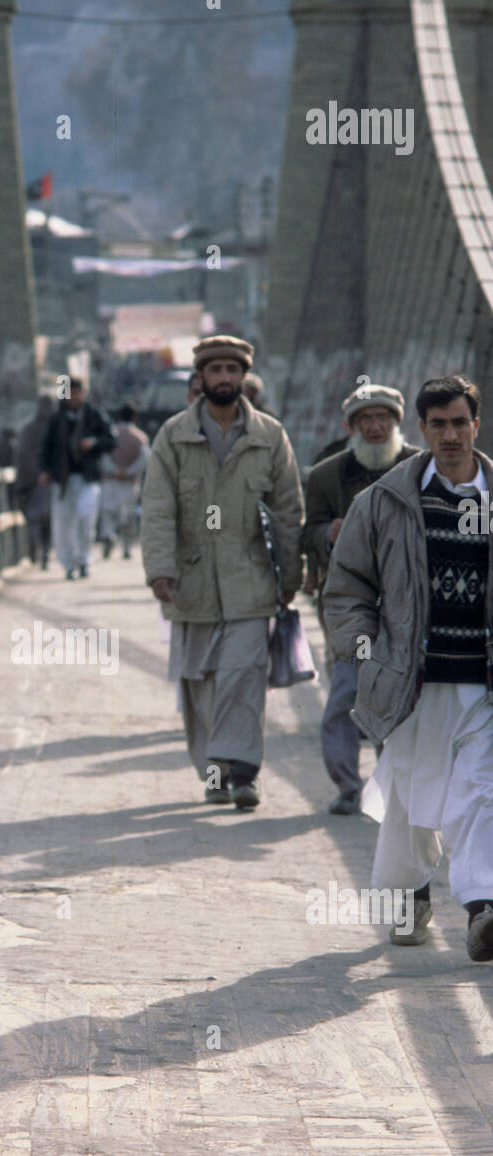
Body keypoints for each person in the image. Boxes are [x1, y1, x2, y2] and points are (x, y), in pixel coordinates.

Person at [324, 374, 493, 960]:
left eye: (460, 422)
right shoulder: (384, 502)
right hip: (413, 682)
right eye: (438, 424)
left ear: (478, 424)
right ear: (422, 429)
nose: (450, 434)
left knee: (480, 792)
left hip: (483, 682)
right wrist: (365, 652)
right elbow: (346, 587)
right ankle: (409, 898)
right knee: (414, 798)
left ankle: (482, 907)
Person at [141, 334, 303, 810]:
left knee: (245, 675)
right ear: (203, 378)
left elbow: (290, 511)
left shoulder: (270, 436)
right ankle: (215, 774)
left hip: (250, 581)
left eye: (233, 370)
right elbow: (157, 509)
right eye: (216, 371)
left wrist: (291, 577)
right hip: (191, 583)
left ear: (244, 377)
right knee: (199, 685)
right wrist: (160, 570)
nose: (225, 379)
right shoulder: (173, 435)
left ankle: (245, 773)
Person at [303, 384, 417, 814]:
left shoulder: (419, 469)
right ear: (350, 427)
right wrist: (324, 535)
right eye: (365, 420)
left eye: (382, 419)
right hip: (350, 606)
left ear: (397, 423)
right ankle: (348, 785)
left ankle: (394, 787)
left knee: (402, 699)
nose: (374, 427)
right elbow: (306, 532)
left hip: (408, 608)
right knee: (346, 695)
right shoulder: (326, 476)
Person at [38, 377, 115, 579]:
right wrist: (44, 470)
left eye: (77, 392)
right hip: (63, 478)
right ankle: (68, 563)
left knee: (85, 517)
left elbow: (110, 440)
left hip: (88, 478)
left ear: (83, 393)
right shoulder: (57, 418)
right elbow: (46, 446)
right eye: (70, 392)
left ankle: (84, 559)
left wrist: (94, 442)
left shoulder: (95, 415)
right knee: (64, 523)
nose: (74, 396)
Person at [100, 403, 149, 559]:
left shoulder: (110, 434)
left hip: (109, 481)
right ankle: (127, 547)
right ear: (134, 417)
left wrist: (114, 470)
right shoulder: (139, 437)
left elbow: (103, 457)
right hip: (129, 482)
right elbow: (144, 459)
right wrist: (128, 471)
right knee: (128, 515)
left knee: (109, 512)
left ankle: (108, 535)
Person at [15, 395, 54, 568]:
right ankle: (42, 551)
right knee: (45, 520)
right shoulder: (50, 428)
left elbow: (21, 457)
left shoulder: (29, 429)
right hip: (42, 482)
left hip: (34, 482)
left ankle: (39, 550)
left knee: (37, 520)